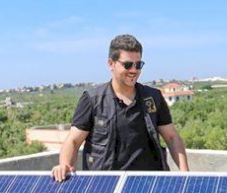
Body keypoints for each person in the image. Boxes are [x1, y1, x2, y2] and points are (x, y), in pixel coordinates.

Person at [51, 34, 189, 181]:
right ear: (111, 64)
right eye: (128, 65)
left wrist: (185, 173)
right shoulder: (93, 100)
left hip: (150, 184)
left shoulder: (153, 97)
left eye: (138, 65)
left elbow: (172, 137)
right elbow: (73, 141)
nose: (134, 70)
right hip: (105, 185)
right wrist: (64, 164)